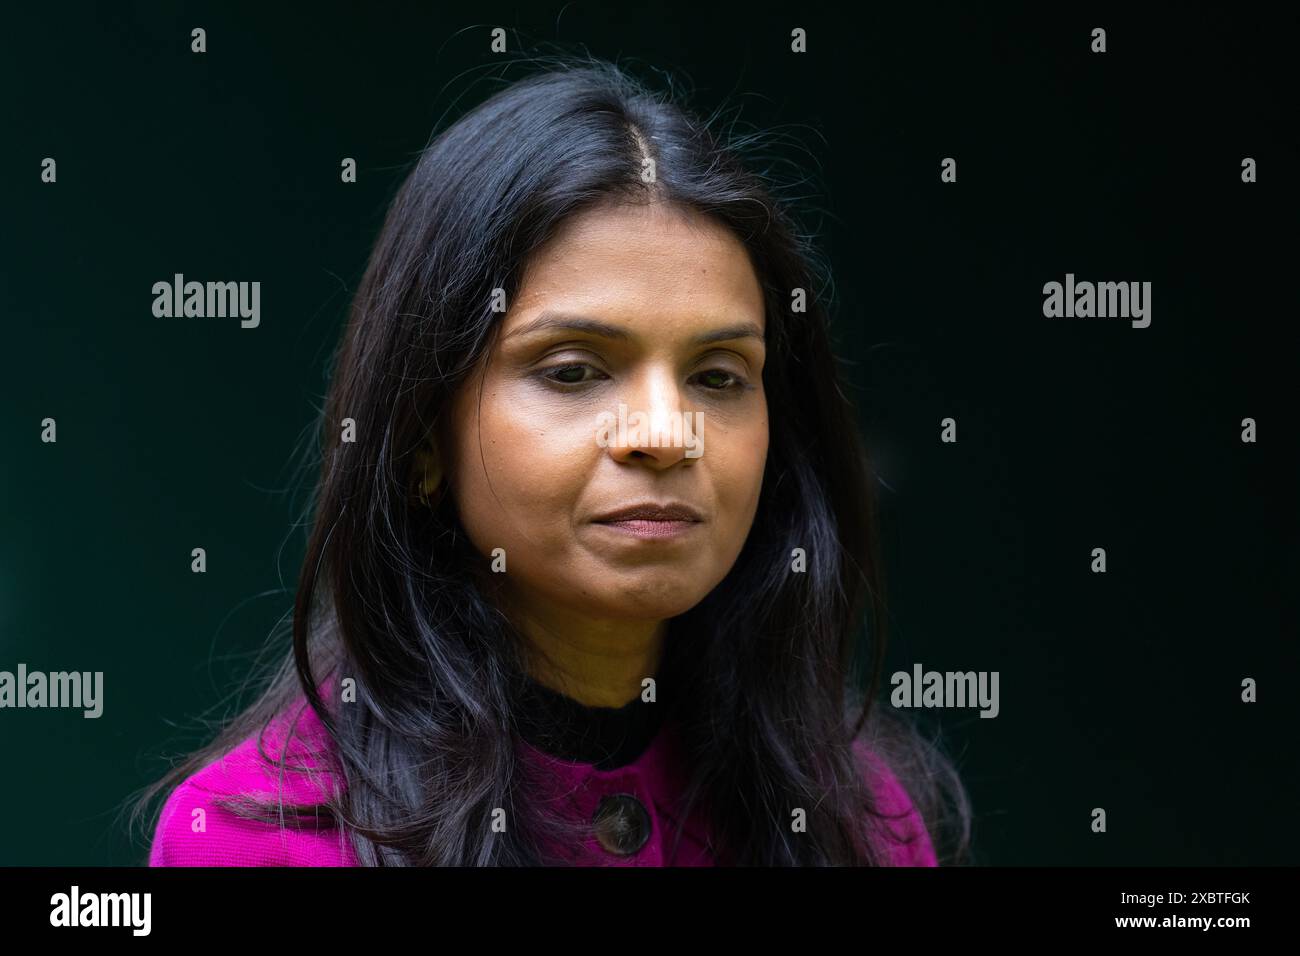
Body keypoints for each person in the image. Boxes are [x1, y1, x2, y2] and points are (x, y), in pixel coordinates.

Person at [136, 56, 969, 867]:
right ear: (423, 438)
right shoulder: (264, 840)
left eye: (718, 377)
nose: (664, 433)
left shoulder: (860, 821)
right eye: (573, 371)